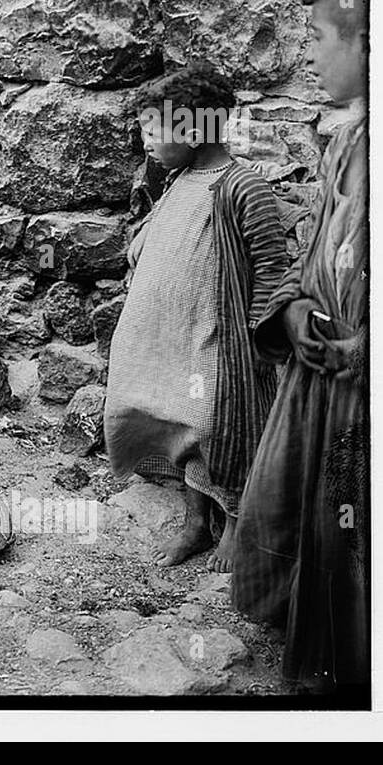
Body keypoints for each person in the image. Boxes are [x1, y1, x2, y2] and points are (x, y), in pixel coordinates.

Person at [232, 0, 369, 696]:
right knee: (320, 521)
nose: (308, 56)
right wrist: (291, 312)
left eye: (318, 39)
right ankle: (322, 658)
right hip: (324, 373)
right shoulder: (343, 143)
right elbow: (314, 249)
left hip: (368, 393)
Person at [105, 66, 290, 572]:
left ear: (190, 131)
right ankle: (194, 524)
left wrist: (260, 339)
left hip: (224, 342)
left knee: (221, 427)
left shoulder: (241, 187)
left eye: (151, 131)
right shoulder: (181, 179)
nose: (145, 143)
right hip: (178, 340)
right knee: (184, 426)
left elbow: (272, 266)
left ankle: (234, 524)